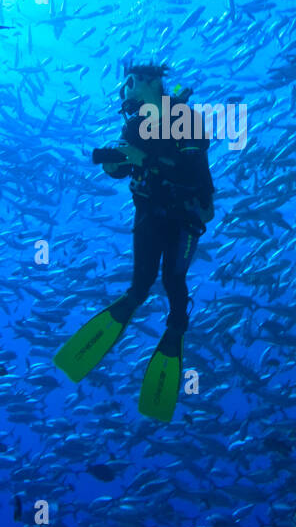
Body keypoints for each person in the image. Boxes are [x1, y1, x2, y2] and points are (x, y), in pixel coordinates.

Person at [54, 64, 214, 420]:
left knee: (174, 279)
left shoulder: (185, 118)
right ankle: (130, 305)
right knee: (139, 286)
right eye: (125, 83)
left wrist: (149, 161)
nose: (125, 89)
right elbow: (126, 165)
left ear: (154, 82)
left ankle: (175, 329)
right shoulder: (134, 125)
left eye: (132, 82)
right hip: (148, 214)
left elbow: (191, 170)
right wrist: (116, 163)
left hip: (186, 216)